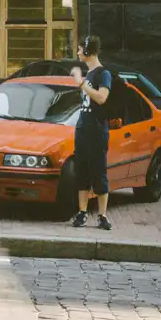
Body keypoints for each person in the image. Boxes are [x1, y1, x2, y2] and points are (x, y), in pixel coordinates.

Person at [69, 35, 113, 231]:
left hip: (96, 130)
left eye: (80, 49)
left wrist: (82, 85)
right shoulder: (89, 75)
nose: (78, 53)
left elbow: (102, 98)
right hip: (83, 128)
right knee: (82, 171)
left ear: (87, 51)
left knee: (99, 171)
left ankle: (102, 215)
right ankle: (82, 212)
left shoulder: (103, 74)